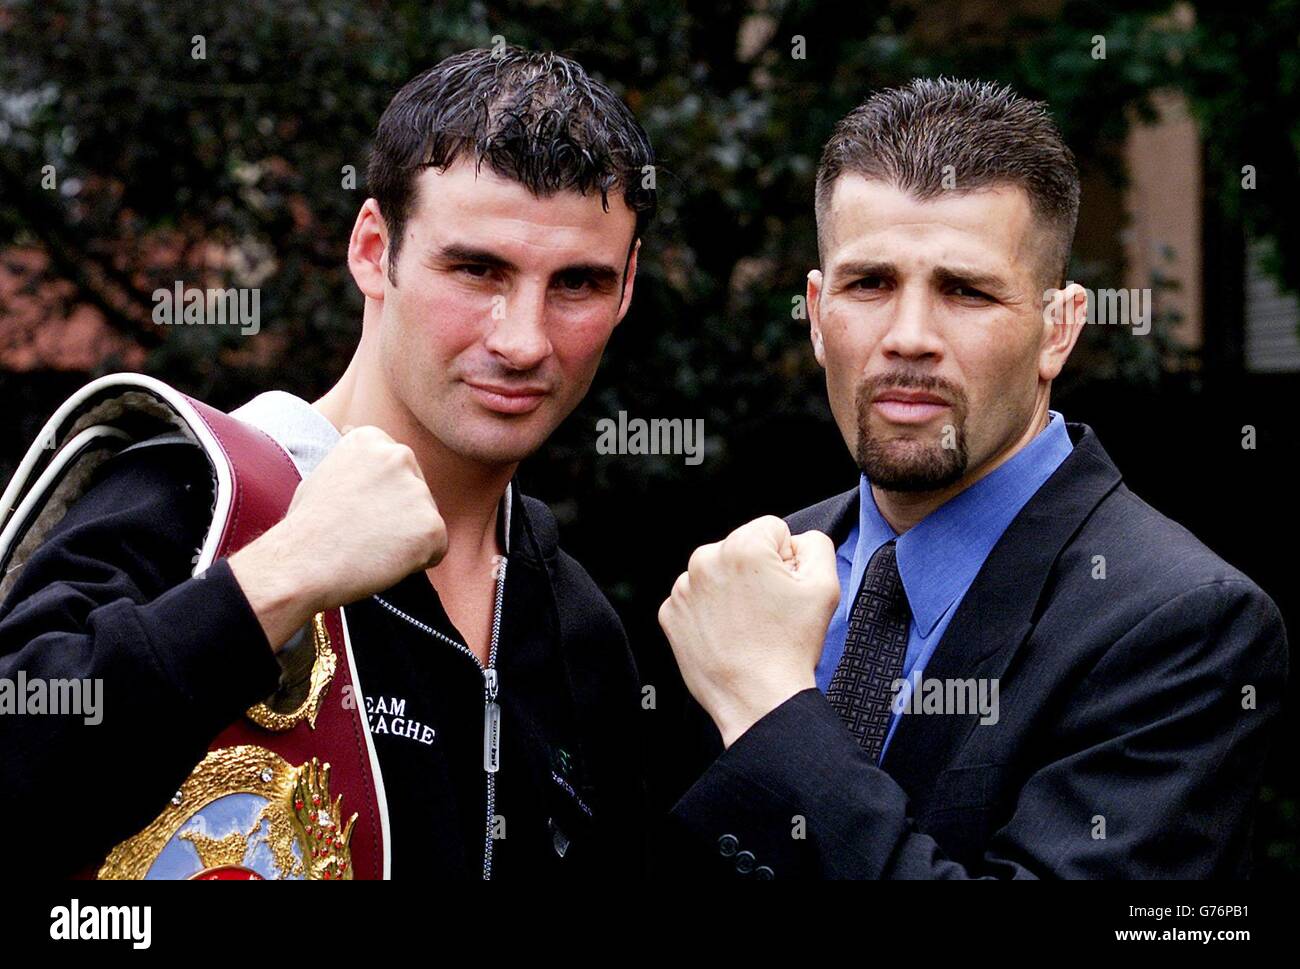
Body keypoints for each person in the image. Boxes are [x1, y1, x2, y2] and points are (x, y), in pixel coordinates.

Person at [0, 46, 654, 879]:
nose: (522, 338)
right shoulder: (194, 496)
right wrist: (276, 578)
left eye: (577, 284)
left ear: (627, 287)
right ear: (373, 249)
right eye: (476, 268)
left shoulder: (577, 626)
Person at [657, 78, 1288, 879]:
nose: (908, 337)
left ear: (1058, 330)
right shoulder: (748, 583)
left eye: (965, 291)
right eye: (870, 284)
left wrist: (773, 710)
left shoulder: (1181, 623)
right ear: (817, 316)